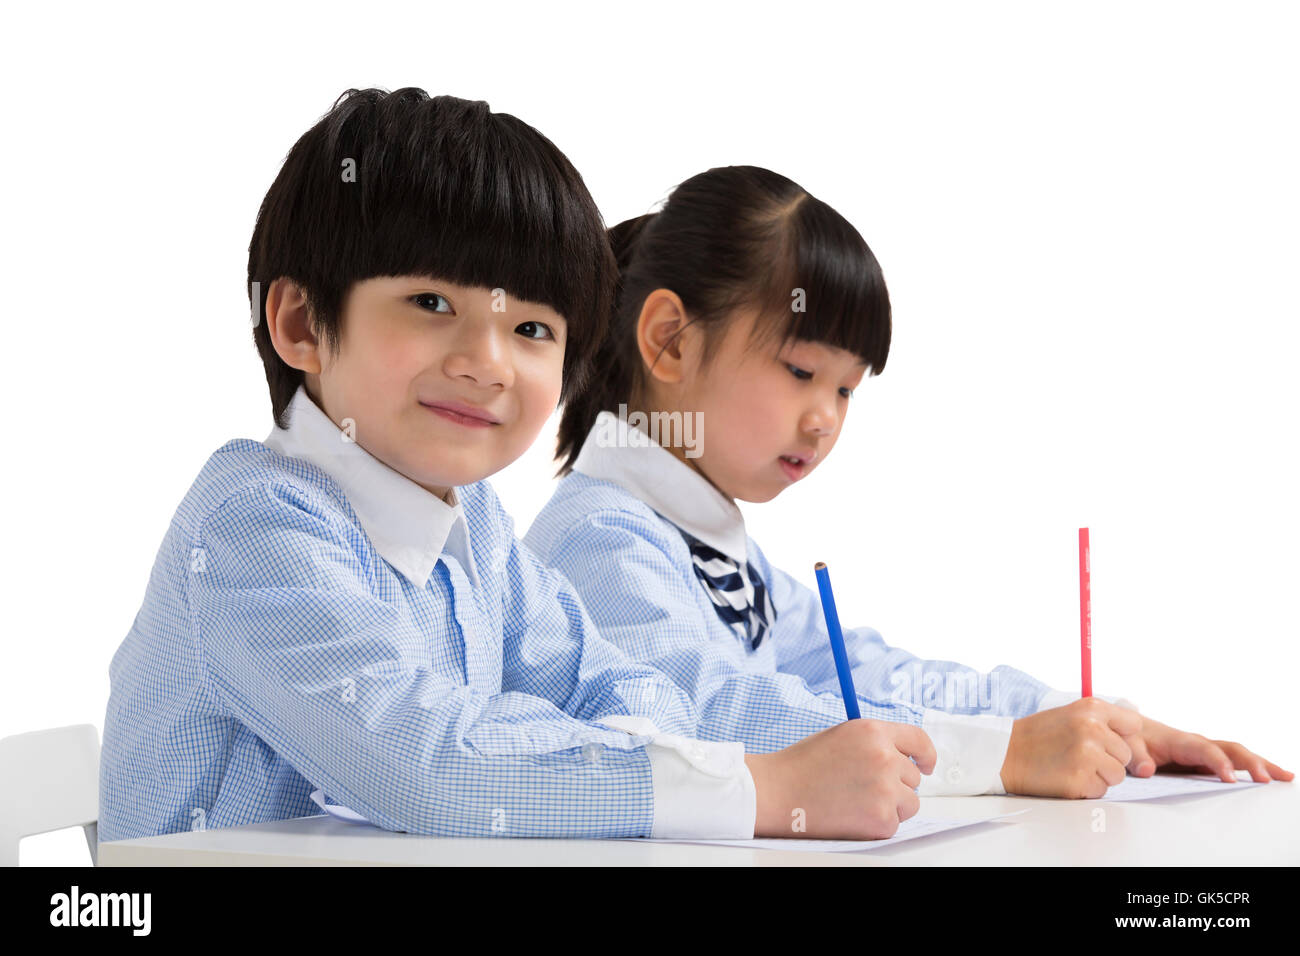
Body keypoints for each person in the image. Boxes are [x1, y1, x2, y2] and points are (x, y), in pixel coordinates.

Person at [99, 92, 936, 845]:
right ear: (300, 323)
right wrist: (751, 789)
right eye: (432, 304)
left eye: (533, 329)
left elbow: (611, 685)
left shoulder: (480, 529)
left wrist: (684, 765)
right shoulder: (255, 523)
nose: (488, 363)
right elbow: (426, 762)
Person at [524, 165, 1292, 798]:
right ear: (669, 341)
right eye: (801, 371)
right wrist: (1004, 755)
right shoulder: (602, 543)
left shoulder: (712, 541)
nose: (825, 418)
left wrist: (1086, 719)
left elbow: (863, 674)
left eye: (847, 390)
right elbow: (713, 714)